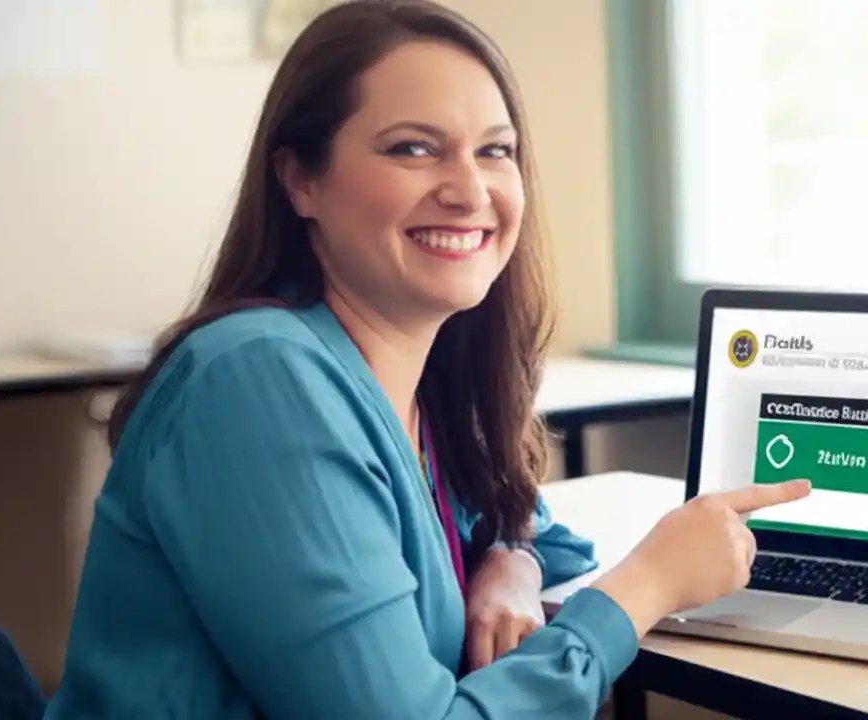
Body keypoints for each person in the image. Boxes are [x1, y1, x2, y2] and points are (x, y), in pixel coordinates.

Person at [45, 1, 810, 718]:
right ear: (300, 179)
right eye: (414, 148)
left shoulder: (419, 384)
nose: (469, 189)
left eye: (496, 151)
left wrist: (509, 563)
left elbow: (532, 524)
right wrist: (643, 588)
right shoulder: (258, 380)